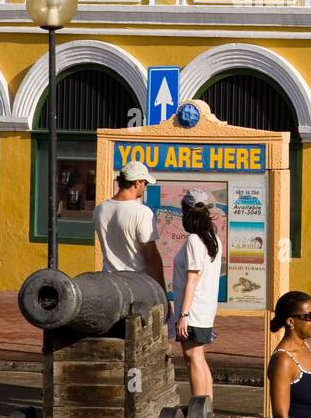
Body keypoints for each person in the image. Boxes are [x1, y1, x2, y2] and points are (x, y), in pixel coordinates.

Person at [171, 188, 222, 401]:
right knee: (199, 357)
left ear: (187, 212)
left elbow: (192, 279)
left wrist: (183, 315)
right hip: (205, 308)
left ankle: (199, 410)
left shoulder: (194, 240)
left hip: (193, 310)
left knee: (193, 358)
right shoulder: (213, 238)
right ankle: (206, 408)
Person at [92, 161, 166, 296]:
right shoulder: (142, 212)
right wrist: (162, 293)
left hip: (110, 285)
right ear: (137, 183)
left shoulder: (99, 210)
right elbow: (151, 256)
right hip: (136, 286)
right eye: (145, 183)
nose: (144, 188)